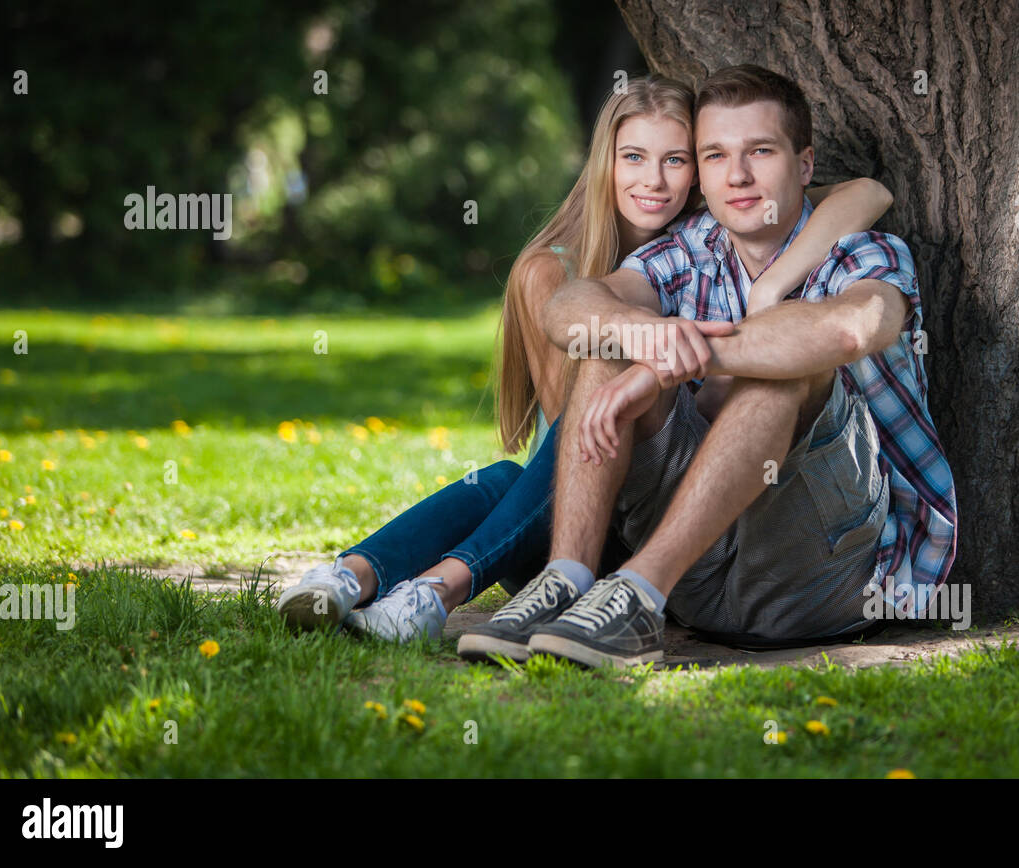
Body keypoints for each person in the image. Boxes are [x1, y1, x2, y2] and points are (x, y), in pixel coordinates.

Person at [276, 73, 896, 647]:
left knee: (767, 370)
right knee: (565, 403)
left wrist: (702, 336)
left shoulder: (783, 241)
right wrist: (642, 342)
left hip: (787, 541)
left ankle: (426, 588)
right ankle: (379, 580)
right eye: (635, 158)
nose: (655, 180)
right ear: (606, 164)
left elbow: (862, 203)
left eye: (675, 159)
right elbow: (569, 423)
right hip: (601, 514)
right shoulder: (572, 267)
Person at [458, 64, 958, 668]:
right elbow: (572, 306)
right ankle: (569, 582)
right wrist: (647, 338)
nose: (738, 175)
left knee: (783, 371)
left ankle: (638, 593)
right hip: (697, 581)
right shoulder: (689, 250)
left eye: (761, 151)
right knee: (607, 345)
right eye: (716, 155)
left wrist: (676, 361)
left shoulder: (866, 251)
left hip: (830, 574)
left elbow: (852, 327)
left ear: (804, 165)